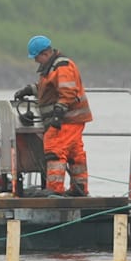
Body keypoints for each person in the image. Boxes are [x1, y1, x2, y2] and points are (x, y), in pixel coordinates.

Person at [14, 34, 92, 196]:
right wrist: (29, 90)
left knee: (54, 149)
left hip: (66, 119)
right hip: (72, 119)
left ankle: (54, 190)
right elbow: (48, 88)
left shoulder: (61, 66)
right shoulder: (53, 68)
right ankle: (79, 188)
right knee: (74, 153)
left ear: (45, 53)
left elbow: (67, 91)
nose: (36, 61)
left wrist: (58, 114)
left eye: (36, 57)